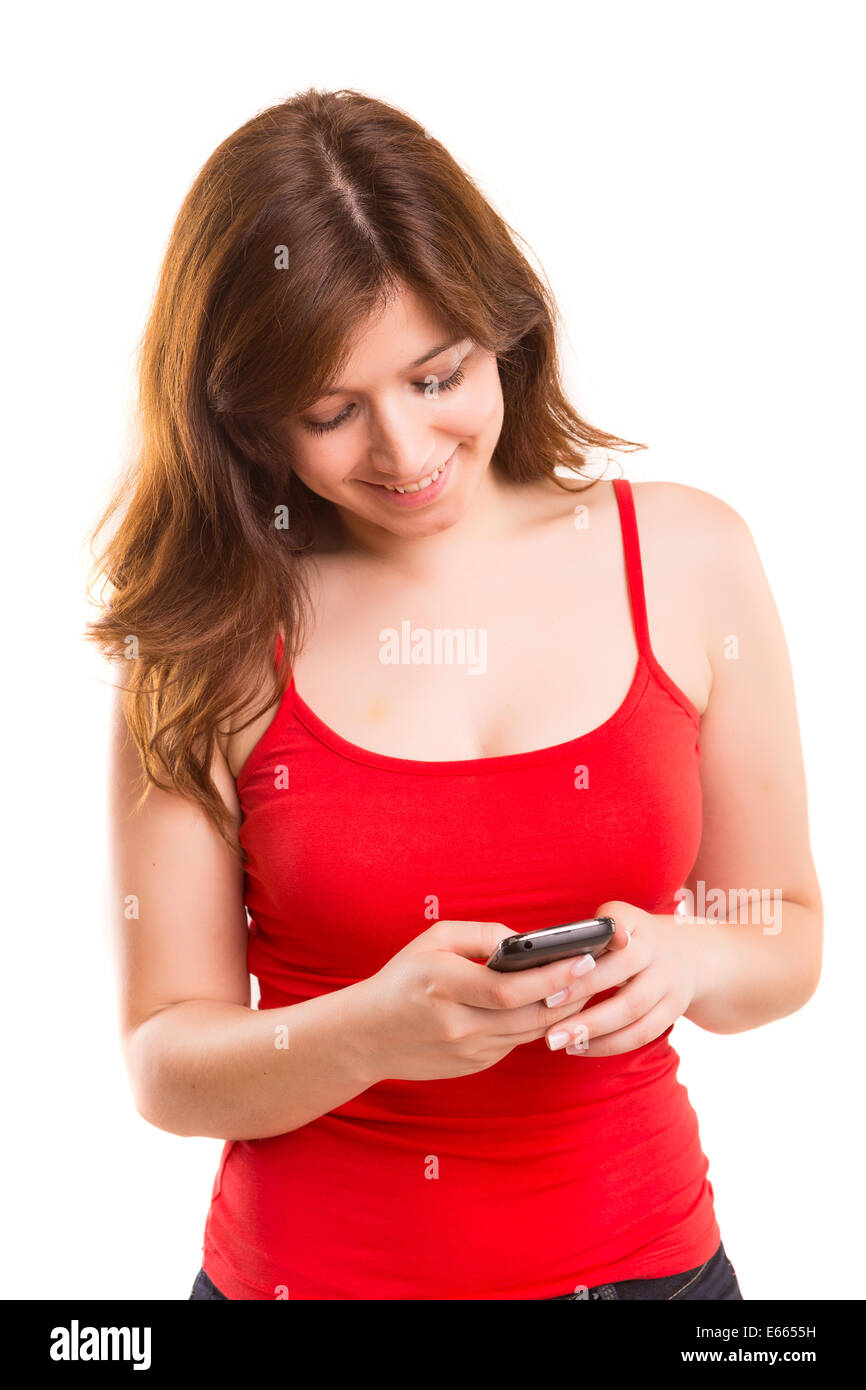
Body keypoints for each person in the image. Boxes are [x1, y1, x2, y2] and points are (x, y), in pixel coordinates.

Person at [87, 87, 822, 1301]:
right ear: (246, 422)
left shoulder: (688, 560)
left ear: (502, 330)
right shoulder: (205, 636)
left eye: (437, 377)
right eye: (331, 412)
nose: (404, 450)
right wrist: (371, 1029)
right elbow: (166, 1059)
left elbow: (783, 928)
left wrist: (685, 958)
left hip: (650, 1282)